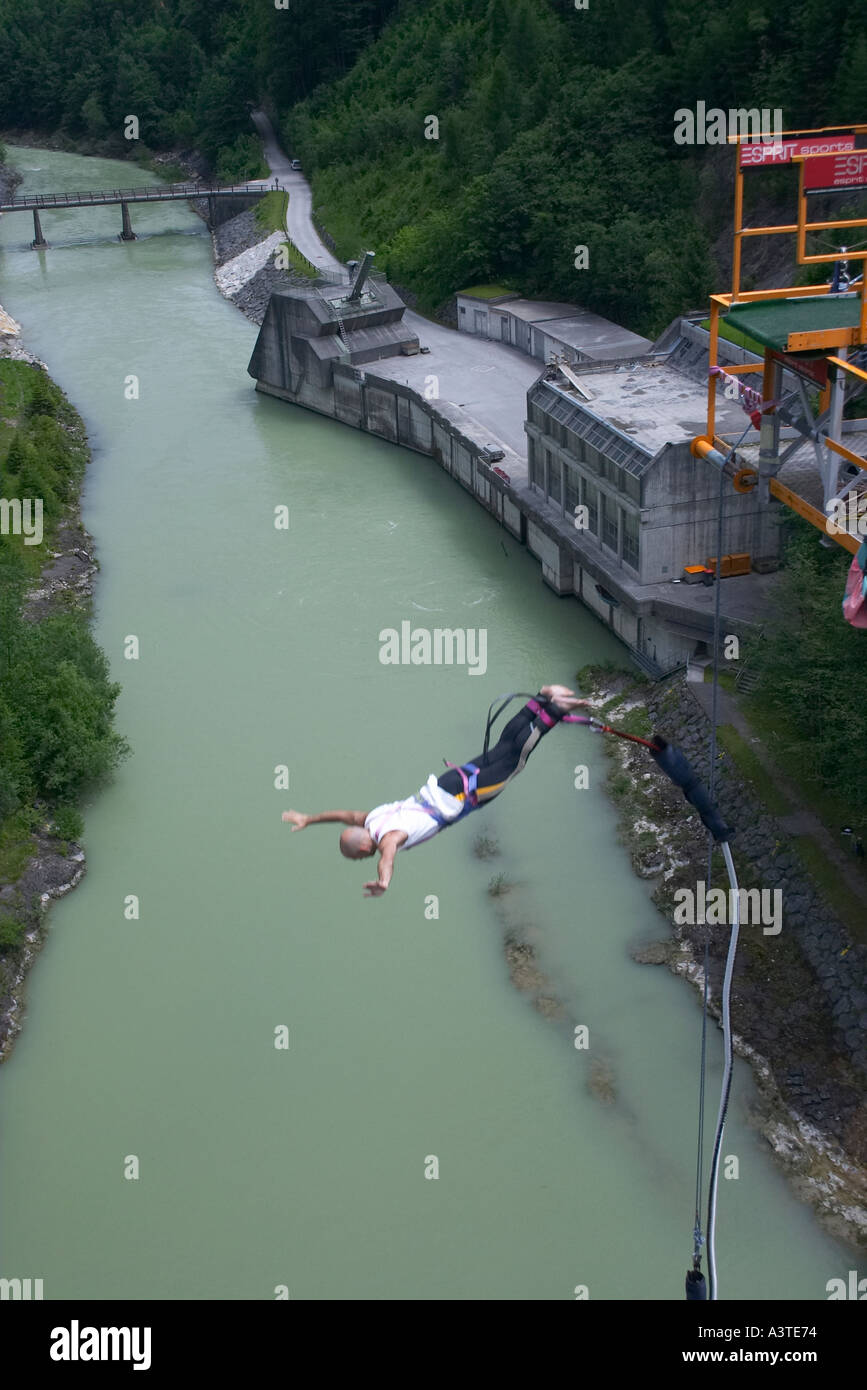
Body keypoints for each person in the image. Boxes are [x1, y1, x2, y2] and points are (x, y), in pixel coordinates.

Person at [283, 684, 588, 897]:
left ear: (364, 848)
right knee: (501, 749)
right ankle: (542, 697)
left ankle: (555, 709)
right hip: (446, 782)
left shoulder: (388, 839)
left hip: (463, 795)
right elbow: (342, 815)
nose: (362, 859)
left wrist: (383, 882)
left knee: (514, 761)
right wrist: (309, 819)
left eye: (359, 858)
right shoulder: (370, 819)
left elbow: (386, 858)